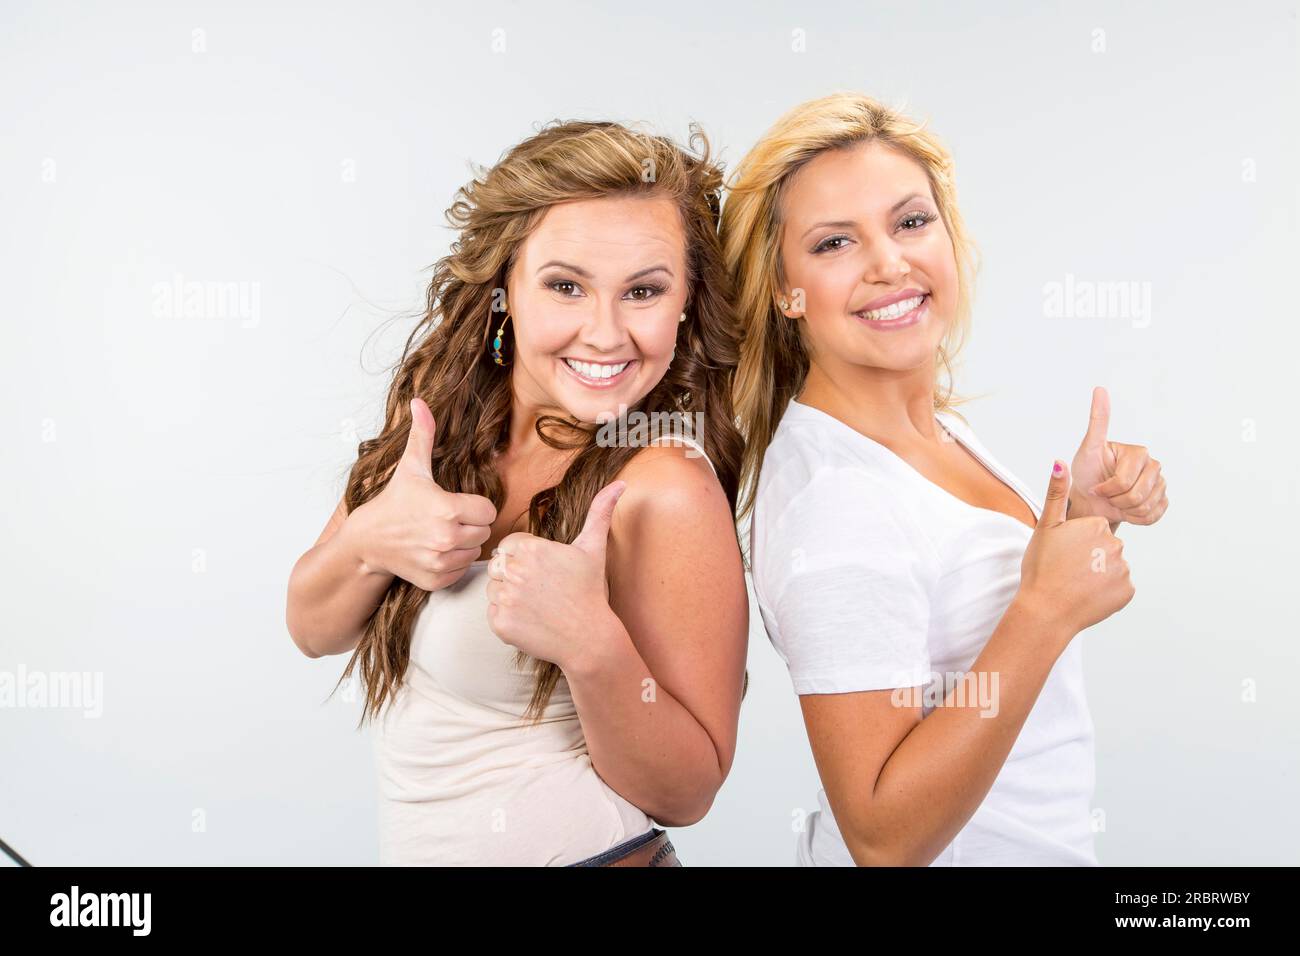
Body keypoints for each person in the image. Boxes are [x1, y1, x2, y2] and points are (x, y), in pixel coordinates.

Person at [721, 92, 1169, 865]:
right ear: (785, 289)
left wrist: (1091, 518)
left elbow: (971, 624)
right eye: (834, 243)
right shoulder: (837, 500)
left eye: (910, 221)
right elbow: (882, 837)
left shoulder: (928, 430)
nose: (889, 262)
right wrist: (1044, 611)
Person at [286, 120, 749, 865]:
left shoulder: (664, 486)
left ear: (687, 302)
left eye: (643, 291)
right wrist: (373, 541)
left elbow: (687, 793)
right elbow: (312, 627)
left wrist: (592, 645)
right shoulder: (444, 427)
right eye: (566, 286)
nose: (605, 333)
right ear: (505, 288)